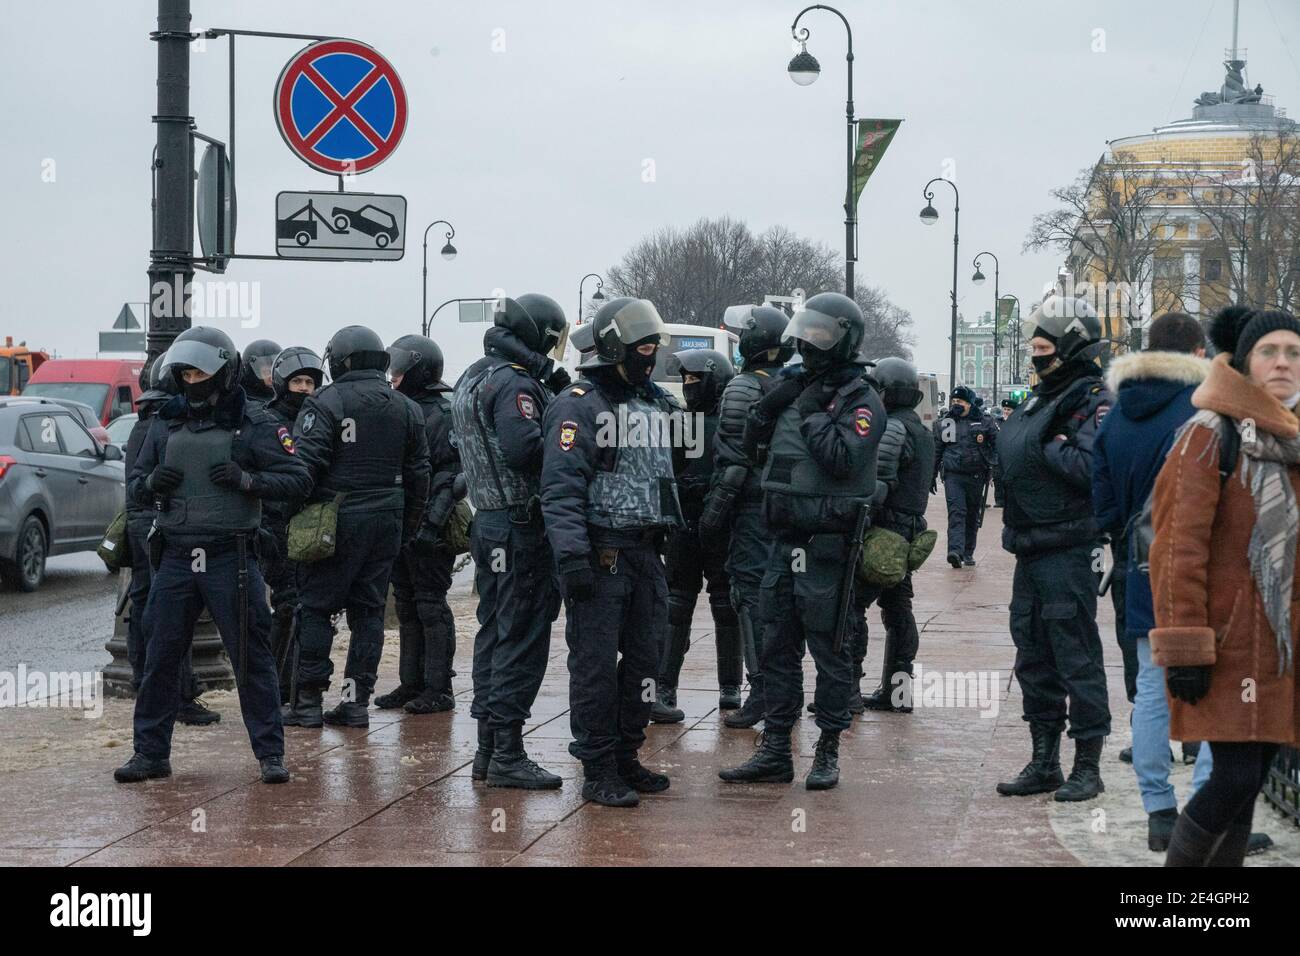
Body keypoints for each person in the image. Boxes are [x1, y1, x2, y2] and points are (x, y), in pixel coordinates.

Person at [114, 327, 311, 785]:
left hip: (233, 558)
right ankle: (150, 753)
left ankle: (269, 755)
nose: (191, 379)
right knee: (161, 657)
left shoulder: (257, 423)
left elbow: (298, 479)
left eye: (200, 371)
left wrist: (248, 481)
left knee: (251, 660)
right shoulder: (165, 421)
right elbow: (136, 487)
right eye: (185, 372)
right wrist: (150, 484)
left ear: (223, 372)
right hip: (177, 556)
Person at [1153, 307, 1300, 866]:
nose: (1282, 362)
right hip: (1228, 645)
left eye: (1293, 352)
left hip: (1282, 646)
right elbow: (1174, 549)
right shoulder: (1209, 436)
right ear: (1243, 363)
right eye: (1269, 351)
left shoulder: (1293, 439)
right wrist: (1185, 646)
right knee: (1234, 777)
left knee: (1248, 782)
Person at [720, 292, 884, 791]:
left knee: (831, 651)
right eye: (806, 335)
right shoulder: (792, 387)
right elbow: (751, 451)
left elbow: (841, 459)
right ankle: (775, 749)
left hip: (828, 547)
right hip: (781, 538)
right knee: (775, 649)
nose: (810, 346)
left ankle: (827, 750)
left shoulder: (862, 399)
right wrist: (767, 412)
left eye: (820, 336)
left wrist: (811, 410)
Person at [542, 297, 683, 807]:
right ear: (614, 347)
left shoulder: (656, 404)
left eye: (654, 346)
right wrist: (573, 557)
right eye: (642, 346)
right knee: (596, 667)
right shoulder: (579, 403)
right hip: (601, 557)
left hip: (647, 556)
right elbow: (560, 489)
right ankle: (598, 765)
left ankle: (627, 754)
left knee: (646, 664)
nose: (651, 355)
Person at [282, 326, 430, 729]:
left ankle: (308, 702)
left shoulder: (325, 402)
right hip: (388, 520)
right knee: (368, 614)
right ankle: (354, 703)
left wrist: (290, 517)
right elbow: (420, 475)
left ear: (339, 360)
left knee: (315, 608)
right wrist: (407, 527)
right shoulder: (405, 408)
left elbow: (304, 470)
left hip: (336, 520)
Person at [995, 295, 1112, 802]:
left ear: (1071, 346)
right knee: (1033, 654)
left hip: (1068, 546)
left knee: (1076, 653)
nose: (1035, 356)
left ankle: (1088, 764)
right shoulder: (1041, 398)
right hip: (1030, 546)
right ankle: (1045, 761)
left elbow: (1090, 468)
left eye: (1043, 347)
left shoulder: (1092, 398)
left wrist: (1046, 443)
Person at [452, 295, 570, 789]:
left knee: (494, 631)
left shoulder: (472, 376)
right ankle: (507, 753)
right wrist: (567, 430)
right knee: (521, 636)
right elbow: (525, 449)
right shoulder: (516, 383)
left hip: (489, 520)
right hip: (521, 523)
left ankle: (487, 748)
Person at [122, 358, 220, 726]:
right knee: (168, 616)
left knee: (147, 604)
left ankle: (153, 683)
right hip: (157, 522)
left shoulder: (146, 418)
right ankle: (178, 694)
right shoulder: (166, 421)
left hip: (141, 520)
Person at [709, 305, 793, 729]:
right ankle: (780, 692)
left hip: (751, 506)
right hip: (781, 505)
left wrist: (716, 505)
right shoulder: (789, 385)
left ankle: (761, 689)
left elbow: (733, 450)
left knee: (749, 594)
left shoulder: (743, 386)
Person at [651, 347, 742, 723]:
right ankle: (665, 685)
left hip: (719, 527)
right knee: (677, 606)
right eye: (684, 379)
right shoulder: (680, 423)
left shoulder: (728, 423)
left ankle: (730, 686)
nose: (688, 386)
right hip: (686, 527)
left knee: (726, 606)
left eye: (695, 379)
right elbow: (662, 474)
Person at [375, 334, 463, 714]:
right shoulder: (402, 407)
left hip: (432, 523)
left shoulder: (441, 412)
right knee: (408, 603)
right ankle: (411, 683)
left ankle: (438, 687)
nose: (393, 376)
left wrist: (431, 523)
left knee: (430, 604)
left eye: (399, 369)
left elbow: (450, 474)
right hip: (404, 519)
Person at [854, 357, 936, 713]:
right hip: (908, 529)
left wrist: (854, 521)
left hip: (884, 533)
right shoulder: (921, 430)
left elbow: (880, 485)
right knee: (899, 609)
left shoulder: (893, 428)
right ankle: (898, 691)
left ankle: (846, 690)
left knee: (852, 607)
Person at [260, 347, 325, 703]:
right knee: (286, 605)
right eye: (298, 381)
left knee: (305, 607)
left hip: (310, 526)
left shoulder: (320, 418)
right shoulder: (268, 421)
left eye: (310, 382)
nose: (304, 388)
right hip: (275, 525)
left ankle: (295, 681)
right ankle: (275, 683)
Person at [933, 384, 994, 567]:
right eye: (954, 401)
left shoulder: (984, 422)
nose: (956, 404)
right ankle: (955, 551)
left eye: (960, 401)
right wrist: (931, 475)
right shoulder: (946, 422)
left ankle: (968, 552)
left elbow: (998, 445)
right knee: (957, 513)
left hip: (977, 475)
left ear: (969, 404)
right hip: (953, 475)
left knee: (972, 514)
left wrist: (992, 463)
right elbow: (936, 450)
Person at [990, 397, 1018, 507]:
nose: (1006, 412)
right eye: (1005, 409)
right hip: (998, 455)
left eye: (1009, 410)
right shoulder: (997, 422)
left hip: (1012, 456)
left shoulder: (1018, 422)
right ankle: (999, 500)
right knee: (998, 478)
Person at [239, 339, 281, 406]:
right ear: (251, 373)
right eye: (267, 372)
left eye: (276, 372)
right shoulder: (238, 402)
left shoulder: (285, 398)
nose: (272, 378)